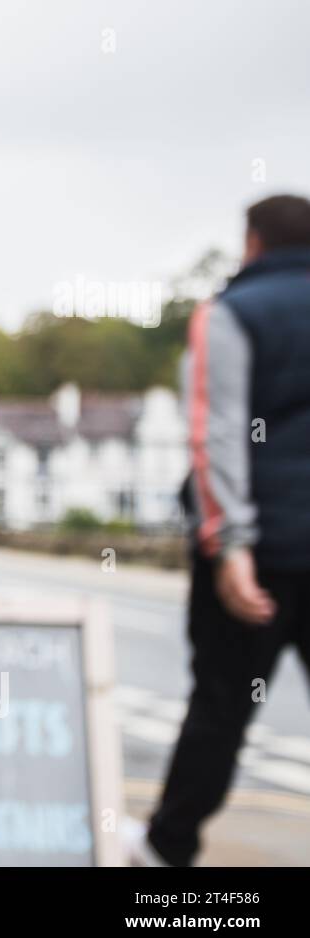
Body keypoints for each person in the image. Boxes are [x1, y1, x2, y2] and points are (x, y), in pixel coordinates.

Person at [132, 194, 310, 866]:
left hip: (261, 550)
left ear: (253, 243)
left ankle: (168, 852)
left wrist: (230, 543)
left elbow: (219, 431)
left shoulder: (232, 315)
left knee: (221, 709)